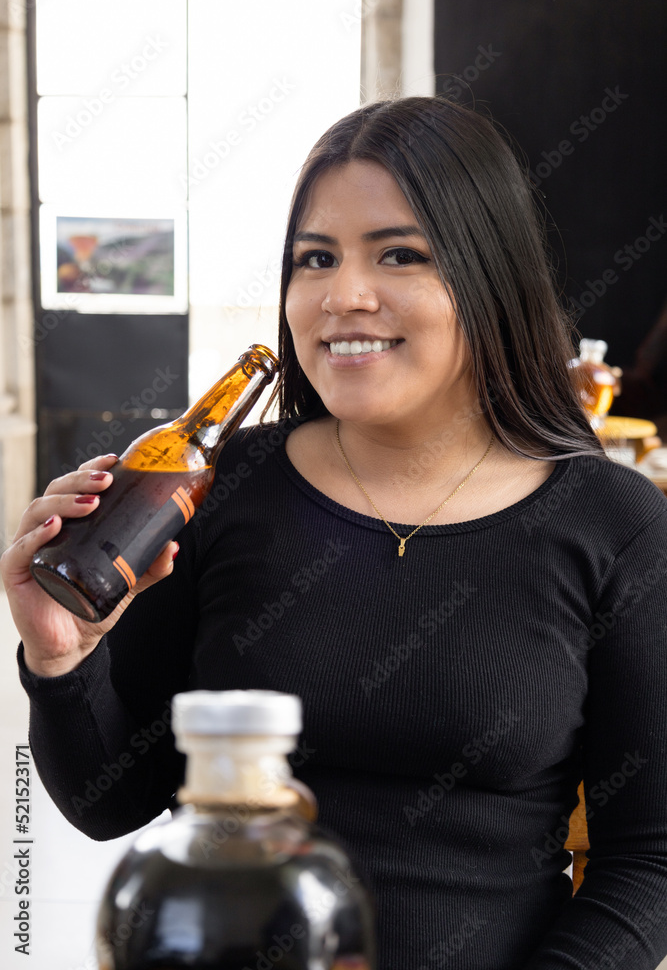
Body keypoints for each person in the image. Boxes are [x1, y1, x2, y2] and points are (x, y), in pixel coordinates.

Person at [3, 96, 667, 970]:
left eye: (399, 254)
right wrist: (62, 660)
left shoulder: (612, 526)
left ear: (490, 273)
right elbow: (110, 803)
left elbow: (647, 864)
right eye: (313, 259)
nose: (341, 296)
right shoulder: (219, 486)